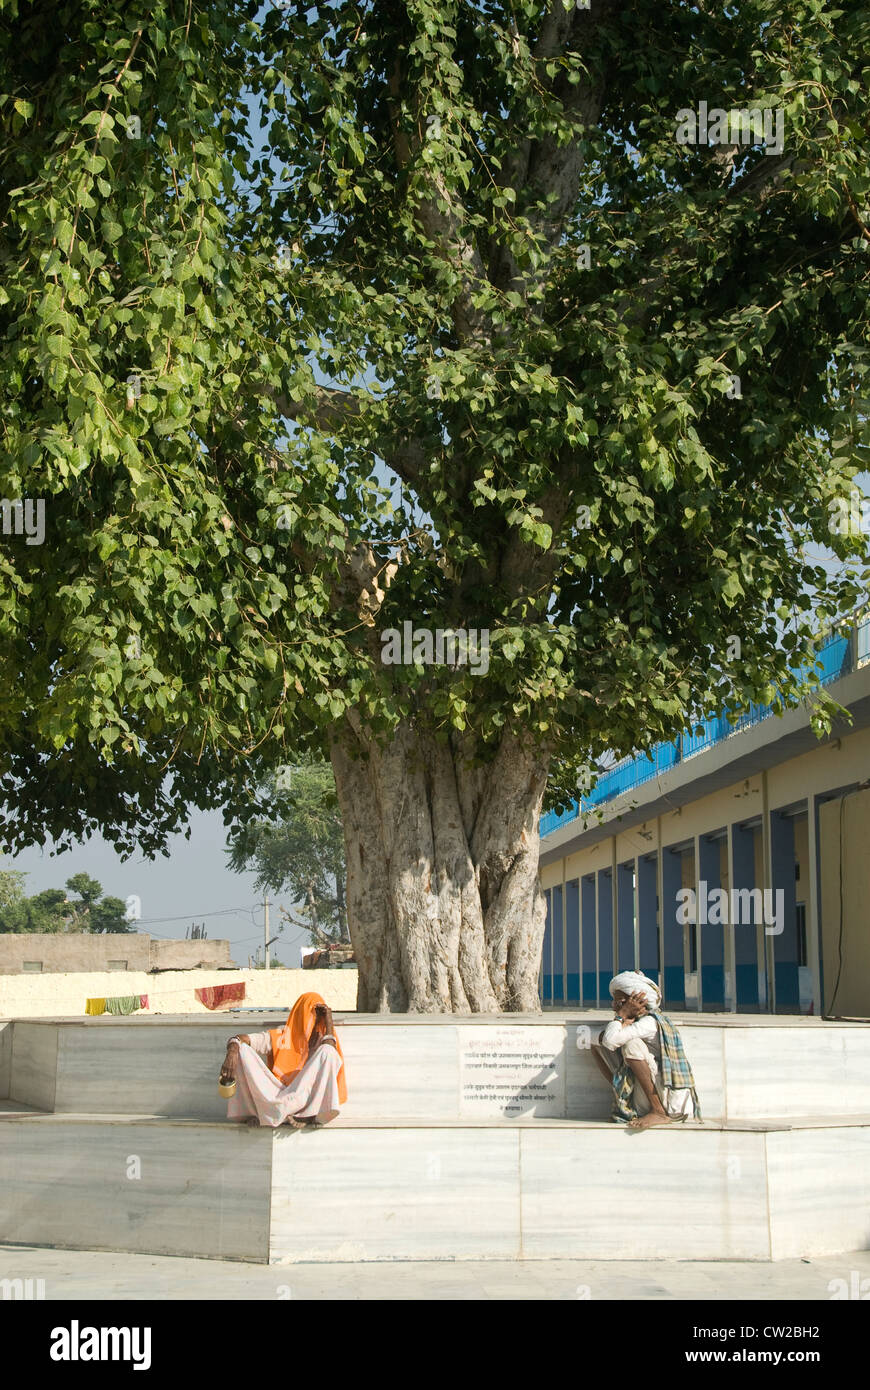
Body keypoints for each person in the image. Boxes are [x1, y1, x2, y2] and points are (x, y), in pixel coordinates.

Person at [590, 971, 701, 1129]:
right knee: (596, 1047)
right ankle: (624, 1104)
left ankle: (658, 1112)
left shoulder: (649, 1023)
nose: (614, 1006)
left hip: (668, 1099)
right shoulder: (633, 1022)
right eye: (614, 1002)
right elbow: (589, 1039)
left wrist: (621, 1016)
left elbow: (610, 1040)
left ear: (638, 1002)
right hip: (645, 1096)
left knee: (631, 1044)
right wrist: (621, 1022)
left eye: (621, 1002)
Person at [219, 991, 347, 1128]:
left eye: (317, 1015)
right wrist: (232, 1051)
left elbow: (330, 1049)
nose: (313, 1019)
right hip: (278, 1095)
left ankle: (307, 1115)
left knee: (328, 1052)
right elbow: (242, 1039)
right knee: (241, 1049)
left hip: (305, 1100)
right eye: (310, 1014)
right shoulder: (282, 1037)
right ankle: (256, 1113)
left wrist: (328, 1021)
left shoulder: (325, 1042)